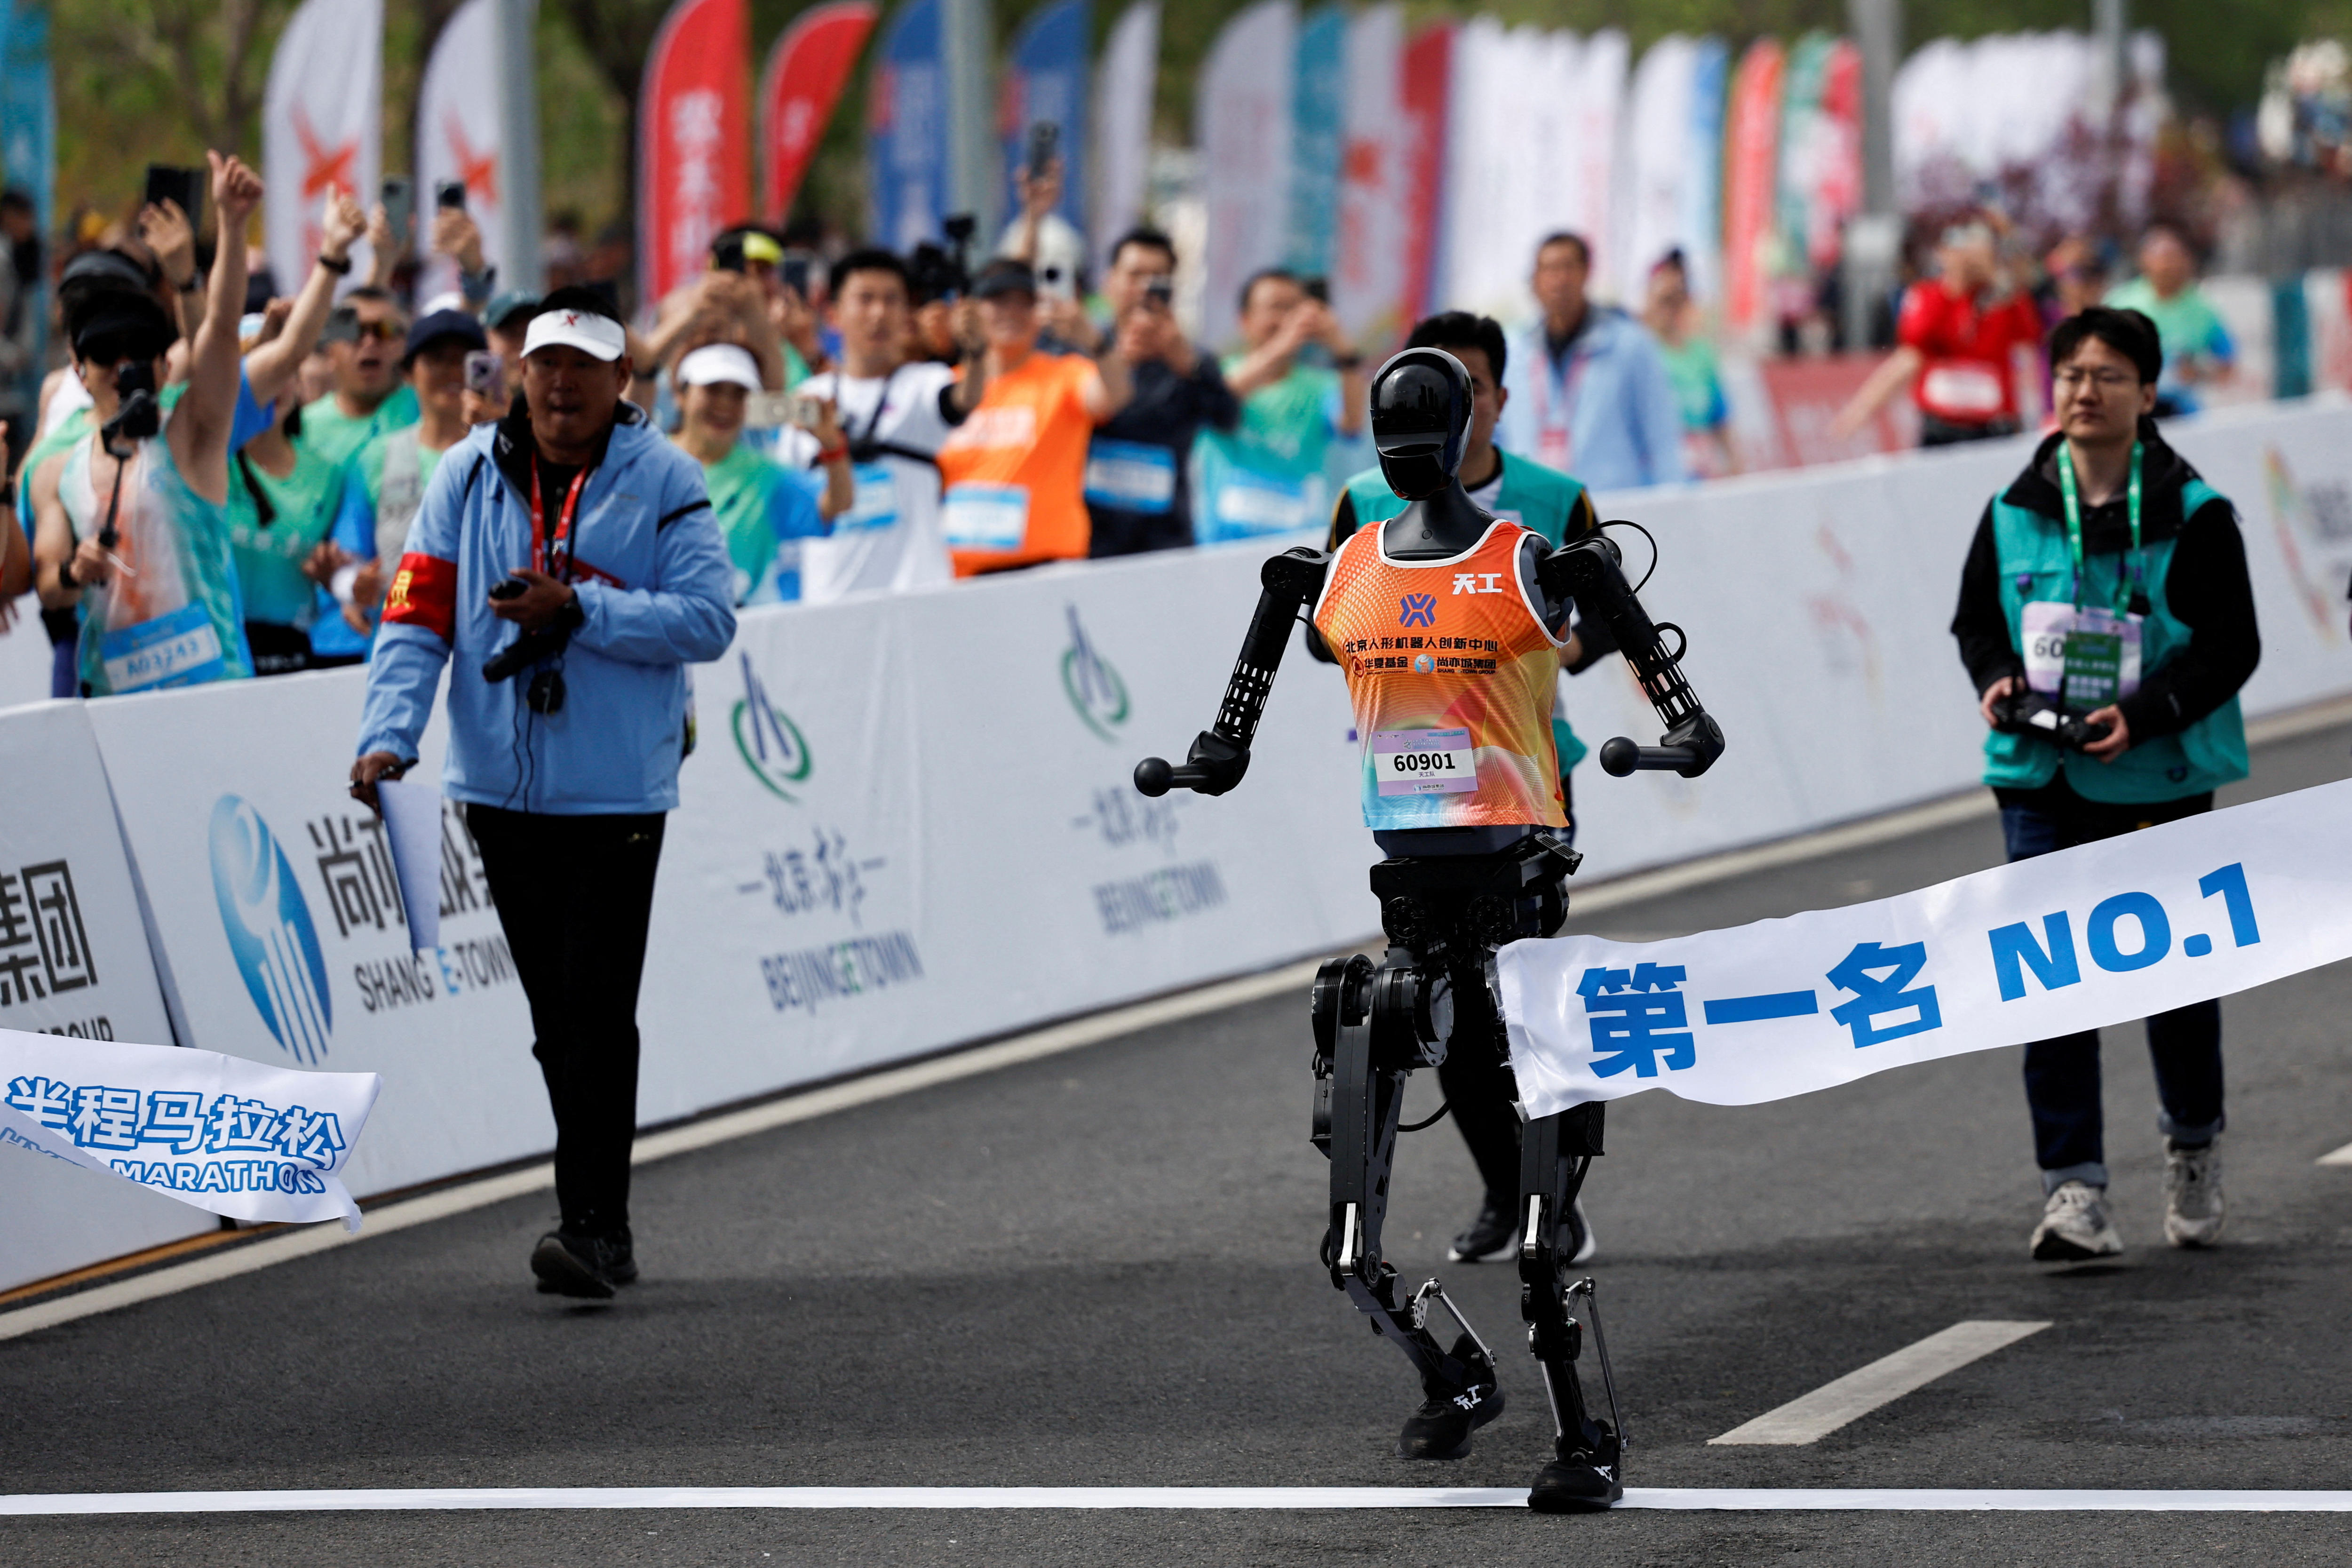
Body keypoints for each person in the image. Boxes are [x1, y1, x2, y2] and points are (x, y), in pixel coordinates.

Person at [349, 287, 736, 1299]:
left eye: (584, 367)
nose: (562, 384)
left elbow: (706, 620)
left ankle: (595, 1227)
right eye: (545, 363)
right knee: (555, 1017)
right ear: (520, 372)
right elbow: (415, 611)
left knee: (597, 1011)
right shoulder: (463, 473)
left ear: (622, 381)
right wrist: (388, 735)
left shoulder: (667, 477)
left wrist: (583, 610)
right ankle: (595, 1217)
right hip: (499, 791)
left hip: (618, 792)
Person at [1949, 306, 2258, 1262]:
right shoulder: (2010, 509)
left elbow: (2231, 646)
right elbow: (1973, 624)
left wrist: (2150, 711)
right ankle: (2073, 1188)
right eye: (2072, 375)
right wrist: (1997, 679)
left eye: (2108, 375)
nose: (2085, 391)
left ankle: (2193, 1145)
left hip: (2155, 772)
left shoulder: (2196, 513)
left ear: (2147, 394)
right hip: (2041, 774)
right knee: (2050, 985)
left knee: (2175, 980)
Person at [1321, 312, 1609, 1267]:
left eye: (1476, 387)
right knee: (1430, 1007)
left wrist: (1516, 630)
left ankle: (1550, 1186)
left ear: (1495, 398)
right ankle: (1503, 1186)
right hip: (1410, 778)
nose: (1462, 406)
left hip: (1524, 768)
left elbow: (1601, 622)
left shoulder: (1551, 501)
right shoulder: (1361, 500)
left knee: (1512, 1001)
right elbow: (1333, 624)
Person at [29, 152, 263, 696]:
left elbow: (223, 335)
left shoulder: (192, 434)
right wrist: (72, 572)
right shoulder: (55, 471)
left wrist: (227, 228)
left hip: (213, 694)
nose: (123, 365)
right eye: (105, 353)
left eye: (139, 351)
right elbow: (47, 587)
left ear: (165, 364)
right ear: (79, 371)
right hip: (116, 711)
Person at [776, 248, 960, 602]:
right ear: (833, 314)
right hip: (829, 603)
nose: (879, 313)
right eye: (865, 299)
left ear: (907, 314)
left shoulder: (927, 382)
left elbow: (962, 401)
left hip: (920, 597)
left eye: (892, 301)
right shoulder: (807, 398)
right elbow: (791, 503)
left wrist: (976, 351)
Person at [311, 307, 491, 661]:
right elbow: (351, 556)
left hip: (486, 644)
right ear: (408, 373)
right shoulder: (377, 457)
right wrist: (353, 585)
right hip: (401, 646)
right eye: (437, 360)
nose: (452, 372)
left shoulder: (507, 453)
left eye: (464, 361)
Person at [936, 257, 1131, 576]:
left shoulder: (1065, 376)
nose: (1012, 312)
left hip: (1046, 571)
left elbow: (1117, 394)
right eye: (998, 301)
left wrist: (1095, 341)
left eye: (1025, 303)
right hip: (960, 574)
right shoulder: (949, 390)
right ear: (971, 309)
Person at [1069, 228, 1240, 556]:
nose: (1145, 289)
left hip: (1165, 543)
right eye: (1135, 276)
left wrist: (1188, 365)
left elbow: (1228, 419)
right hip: (1088, 538)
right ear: (1110, 282)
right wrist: (1116, 361)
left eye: (1158, 279)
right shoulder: (1081, 351)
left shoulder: (1193, 359)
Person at [1496, 233, 1687, 491]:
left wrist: (1673, 499)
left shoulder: (1630, 345)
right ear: (1535, 280)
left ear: (1587, 273)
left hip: (1611, 508)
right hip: (1531, 509)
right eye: (1549, 270)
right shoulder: (1514, 350)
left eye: (1567, 268)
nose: (1558, 281)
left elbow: (1661, 436)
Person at [1831, 220, 2044, 447]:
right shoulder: (1928, 296)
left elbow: (2030, 340)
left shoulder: (2005, 300)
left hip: (1994, 427)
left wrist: (1996, 277)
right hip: (1941, 428)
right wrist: (1861, 410)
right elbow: (1910, 357)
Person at [1194, 269, 1367, 544]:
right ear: (1245, 320)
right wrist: (1283, 345)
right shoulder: (1220, 374)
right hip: (1218, 545)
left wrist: (1343, 350)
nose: (1288, 320)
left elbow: (1352, 423)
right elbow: (1216, 399)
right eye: (1276, 308)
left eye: (1295, 309)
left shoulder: (1322, 386)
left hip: (1296, 549)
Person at [671, 341, 848, 604]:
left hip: (743, 635)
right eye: (713, 390)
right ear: (681, 395)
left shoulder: (765, 475)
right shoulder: (645, 464)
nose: (725, 405)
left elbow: (837, 504)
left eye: (738, 394)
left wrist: (832, 445)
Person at [2104, 225, 2235, 418]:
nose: (2169, 266)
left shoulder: (2202, 311)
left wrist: (2198, 373)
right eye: (2163, 258)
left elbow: (2228, 364)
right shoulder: (2121, 305)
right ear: (2145, 261)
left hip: (2183, 411)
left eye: (2175, 257)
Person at [1640, 250, 1737, 478]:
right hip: (1654, 476)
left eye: (1677, 298)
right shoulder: (1638, 354)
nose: (1670, 308)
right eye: (1664, 299)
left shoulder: (1701, 354)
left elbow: (1719, 418)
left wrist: (1735, 468)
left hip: (1700, 474)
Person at [301, 287, 419, 466]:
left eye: (385, 330)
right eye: (355, 331)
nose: (370, 341)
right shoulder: (304, 429)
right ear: (331, 349)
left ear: (405, 345)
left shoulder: (429, 412)